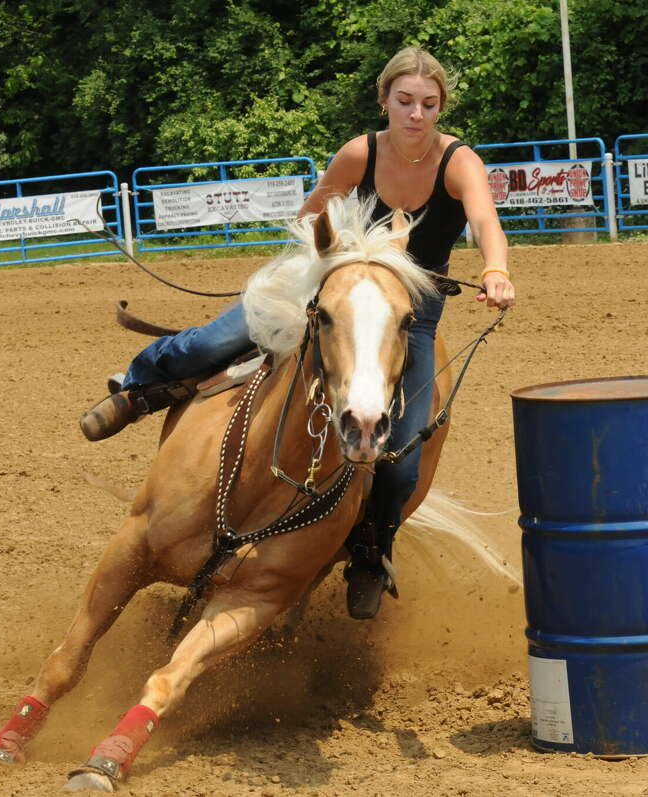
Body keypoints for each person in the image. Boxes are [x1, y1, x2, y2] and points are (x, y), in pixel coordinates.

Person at [80, 45, 515, 618]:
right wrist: (325, 256)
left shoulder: (458, 163)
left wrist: (495, 269)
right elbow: (313, 215)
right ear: (384, 100)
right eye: (405, 100)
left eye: (428, 104)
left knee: (403, 455)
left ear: (441, 108)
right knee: (215, 342)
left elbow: (486, 220)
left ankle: (369, 548)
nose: (416, 114)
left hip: (409, 312)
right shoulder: (359, 153)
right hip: (325, 285)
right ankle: (139, 388)